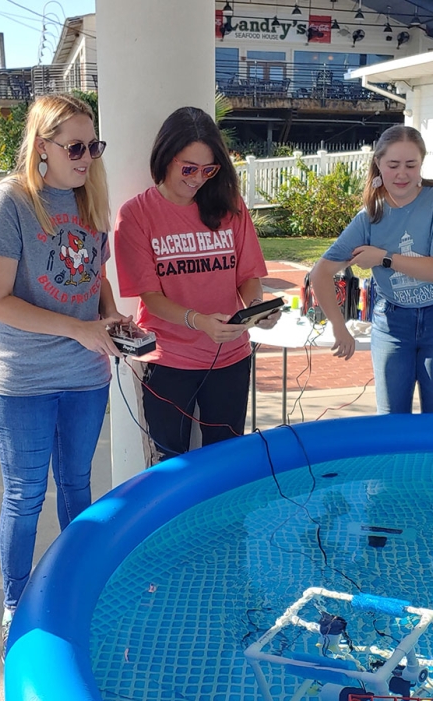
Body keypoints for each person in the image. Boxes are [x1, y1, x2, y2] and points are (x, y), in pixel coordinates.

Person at [0, 94, 125, 646]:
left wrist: (108, 316)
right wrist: (79, 329)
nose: (88, 158)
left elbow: (96, 278)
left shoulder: (91, 201)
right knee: (25, 494)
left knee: (78, 485)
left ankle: (75, 585)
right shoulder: (8, 201)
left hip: (86, 375)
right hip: (23, 379)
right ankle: (15, 602)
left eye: (94, 146)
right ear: (42, 147)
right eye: (77, 147)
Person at [114, 106, 277, 463]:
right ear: (165, 158)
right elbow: (151, 298)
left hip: (231, 357)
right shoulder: (136, 214)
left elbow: (249, 275)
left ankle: (225, 523)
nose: (197, 178)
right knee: (169, 466)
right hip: (168, 362)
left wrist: (254, 308)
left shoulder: (229, 206)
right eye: (188, 168)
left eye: (208, 169)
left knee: (227, 463)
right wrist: (198, 321)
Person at [309, 125, 433, 414]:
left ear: (422, 163)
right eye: (393, 164)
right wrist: (338, 326)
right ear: (378, 164)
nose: (402, 174)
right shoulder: (369, 217)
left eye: (411, 165)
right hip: (393, 322)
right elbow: (320, 274)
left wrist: (383, 257)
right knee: (391, 421)